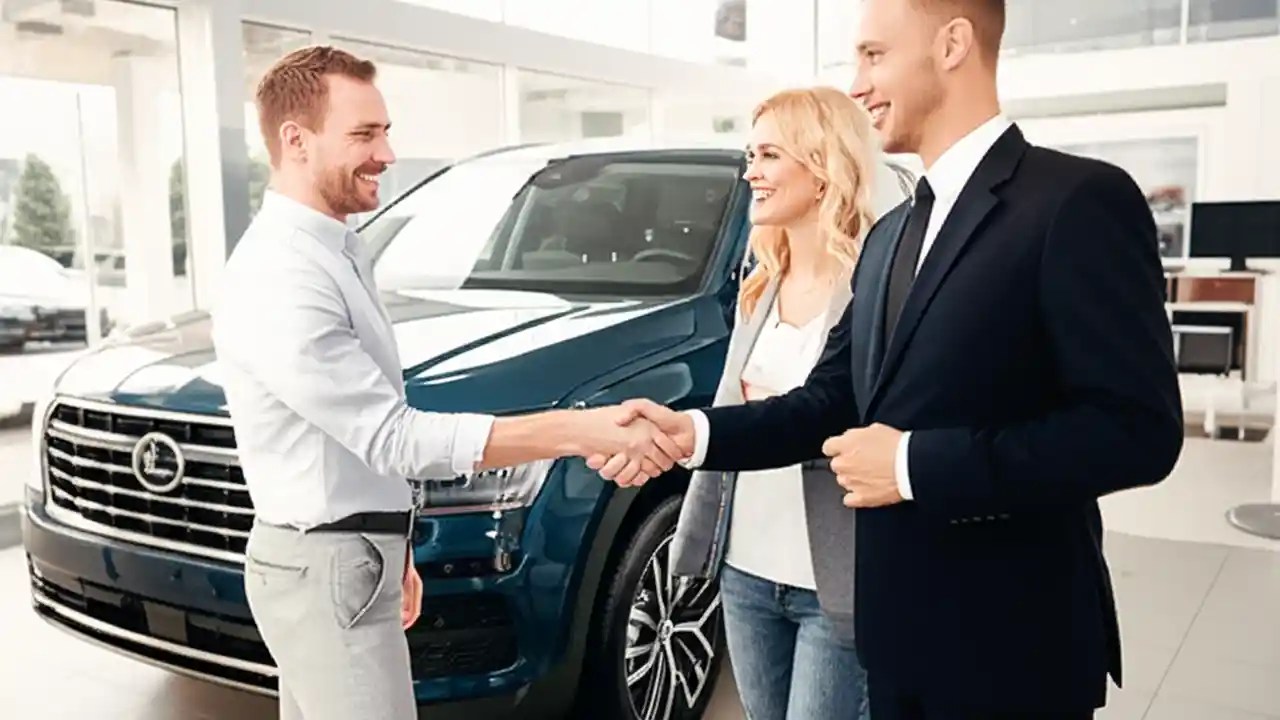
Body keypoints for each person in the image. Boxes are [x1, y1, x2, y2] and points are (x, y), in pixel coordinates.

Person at [590, 0, 1185, 717]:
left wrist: (910, 465)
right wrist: (693, 433)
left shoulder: (1077, 200)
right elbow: (831, 400)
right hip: (893, 639)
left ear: (952, 44)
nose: (858, 84)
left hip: (1011, 646)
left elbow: (1136, 432)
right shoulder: (891, 234)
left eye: (874, 56)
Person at [210, 46, 681, 720]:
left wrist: (392, 542)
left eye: (385, 131)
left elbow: (355, 441)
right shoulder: (284, 274)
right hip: (327, 564)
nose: (386, 153)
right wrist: (582, 429)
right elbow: (393, 436)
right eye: (364, 134)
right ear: (296, 141)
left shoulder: (332, 248)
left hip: (347, 555)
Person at [667, 86, 907, 720]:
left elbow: (838, 417)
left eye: (770, 155)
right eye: (751, 155)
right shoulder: (761, 286)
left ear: (823, 168)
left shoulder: (875, 292)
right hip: (746, 570)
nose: (751, 172)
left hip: (834, 581)